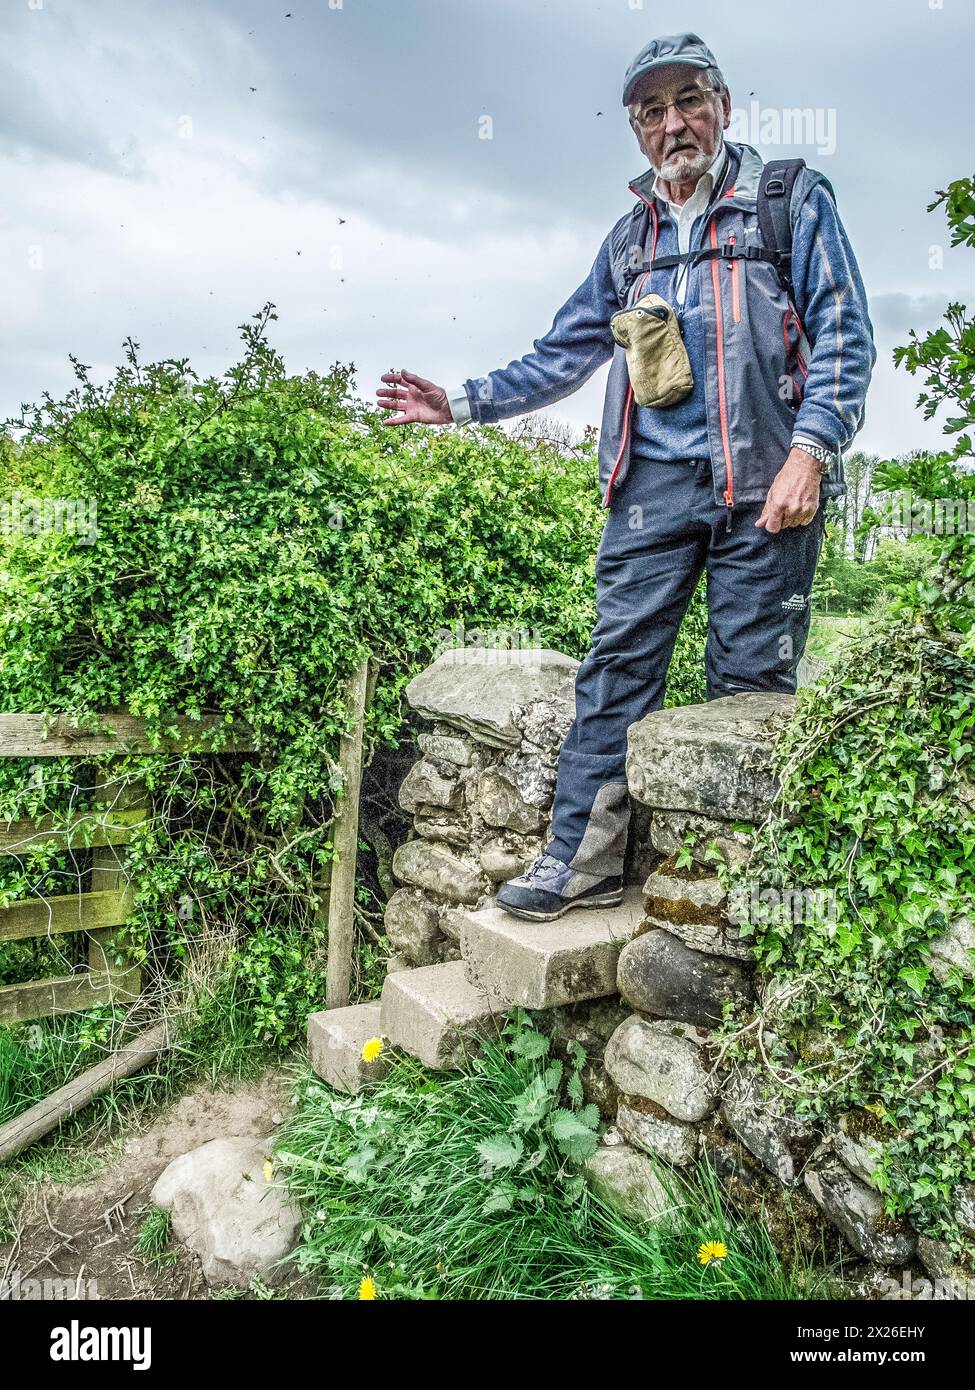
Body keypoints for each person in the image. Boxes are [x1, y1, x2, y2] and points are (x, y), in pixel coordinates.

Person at [376, 32, 876, 922]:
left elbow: (843, 329)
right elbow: (561, 354)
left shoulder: (785, 201)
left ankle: (732, 889)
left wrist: (812, 449)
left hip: (767, 485)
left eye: (689, 101)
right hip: (649, 489)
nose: (673, 123)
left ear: (723, 104)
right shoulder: (629, 239)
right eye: (652, 111)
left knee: (751, 686)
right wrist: (457, 403)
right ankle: (583, 861)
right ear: (636, 130)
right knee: (614, 670)